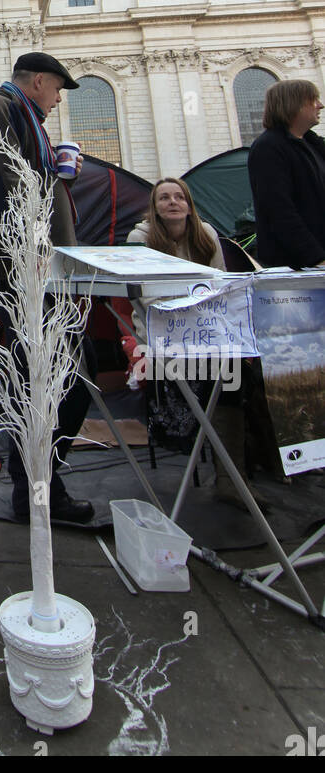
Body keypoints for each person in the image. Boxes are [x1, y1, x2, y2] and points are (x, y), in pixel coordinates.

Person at [0, 51, 94, 524]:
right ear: (39, 81)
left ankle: (39, 484)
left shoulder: (26, 117)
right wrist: (33, 251)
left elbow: (27, 182)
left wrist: (58, 173)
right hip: (30, 272)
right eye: (59, 88)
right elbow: (3, 186)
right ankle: (39, 491)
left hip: (47, 271)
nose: (59, 100)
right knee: (46, 382)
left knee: (65, 378)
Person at [126, 179, 271, 507]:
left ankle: (237, 472)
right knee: (227, 375)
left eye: (179, 197)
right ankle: (233, 477)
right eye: (164, 198)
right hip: (161, 339)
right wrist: (198, 301)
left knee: (247, 369)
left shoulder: (206, 235)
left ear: (189, 205)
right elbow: (151, 302)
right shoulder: (140, 239)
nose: (172, 202)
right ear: (155, 207)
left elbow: (220, 288)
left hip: (206, 333)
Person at [247, 79, 325, 269]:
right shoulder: (269, 148)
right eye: (313, 99)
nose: (320, 105)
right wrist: (317, 259)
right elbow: (279, 210)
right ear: (294, 104)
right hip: (298, 267)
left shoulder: (313, 145)